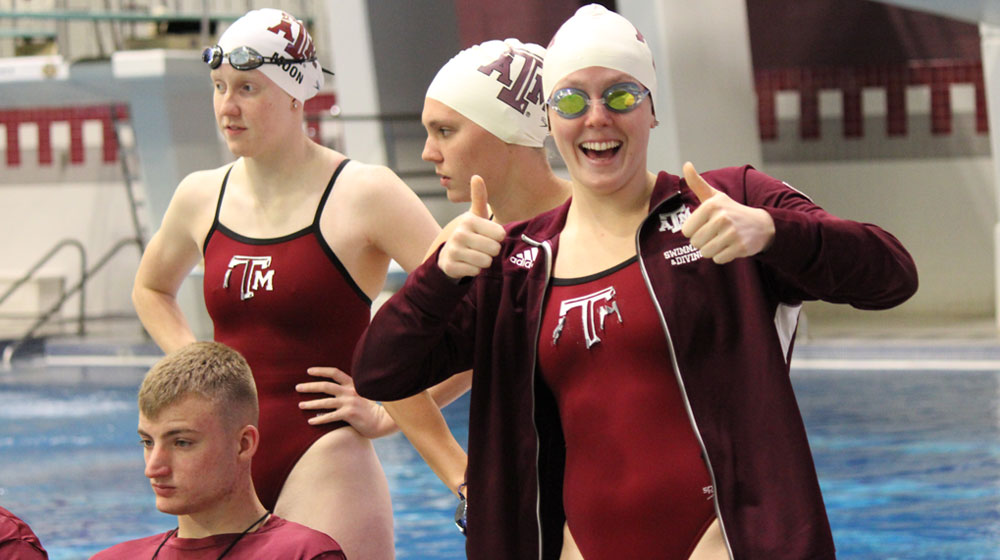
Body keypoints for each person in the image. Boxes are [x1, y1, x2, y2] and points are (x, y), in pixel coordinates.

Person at [352, 4, 919, 559]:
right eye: (571, 99)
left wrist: (774, 231)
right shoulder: (520, 262)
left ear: (651, 110)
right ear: (550, 120)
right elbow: (380, 371)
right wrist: (437, 279)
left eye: (621, 95)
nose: (597, 117)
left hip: (721, 541)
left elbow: (892, 275)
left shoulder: (727, 203)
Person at [131, 8, 440, 559]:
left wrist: (389, 412)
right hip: (223, 458)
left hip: (324, 457)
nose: (227, 106)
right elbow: (151, 289)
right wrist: (197, 366)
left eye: (247, 88)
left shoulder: (366, 194)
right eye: (219, 87)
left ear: (298, 94)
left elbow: (479, 317)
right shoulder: (200, 195)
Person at [380, 38, 570, 507]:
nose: (428, 152)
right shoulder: (460, 242)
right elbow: (398, 364)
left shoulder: (600, 221)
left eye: (445, 131)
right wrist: (463, 478)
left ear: (508, 132)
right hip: (524, 503)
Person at [91, 342, 346, 559]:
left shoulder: (304, 554)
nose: (153, 469)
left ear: (243, 444)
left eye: (181, 443)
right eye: (147, 442)